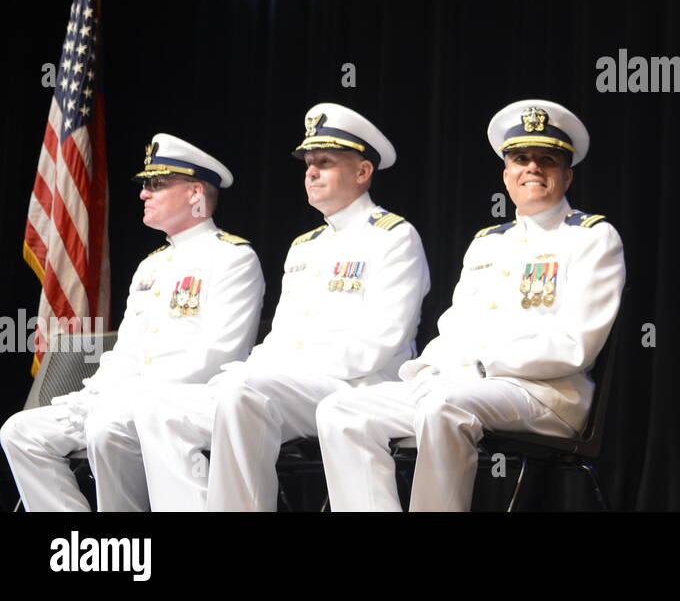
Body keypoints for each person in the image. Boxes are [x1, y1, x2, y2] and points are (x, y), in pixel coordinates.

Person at [316, 99, 625, 511]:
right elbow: (457, 325)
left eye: (546, 159)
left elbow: (575, 345)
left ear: (566, 176)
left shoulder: (593, 237)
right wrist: (428, 368)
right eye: (521, 159)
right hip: (463, 385)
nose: (532, 167)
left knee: (445, 406)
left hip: (546, 394)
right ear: (507, 174)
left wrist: (481, 366)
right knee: (341, 410)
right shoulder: (488, 241)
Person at [133, 103, 431, 510]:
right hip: (286, 389)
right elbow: (280, 338)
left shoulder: (394, 236)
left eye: (324, 162)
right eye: (308, 163)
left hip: (358, 387)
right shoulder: (304, 246)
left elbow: (378, 342)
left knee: (243, 391)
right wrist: (255, 368)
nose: (310, 172)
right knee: (161, 409)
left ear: (363, 173)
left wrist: (273, 373)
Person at [1, 135, 264, 511]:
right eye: (145, 184)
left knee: (106, 427)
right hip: (121, 397)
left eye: (156, 184)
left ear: (194, 193)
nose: (144, 193)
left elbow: (219, 354)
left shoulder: (233, 259)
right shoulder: (151, 266)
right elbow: (126, 352)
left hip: (184, 401)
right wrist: (97, 391)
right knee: (20, 432)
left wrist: (131, 393)